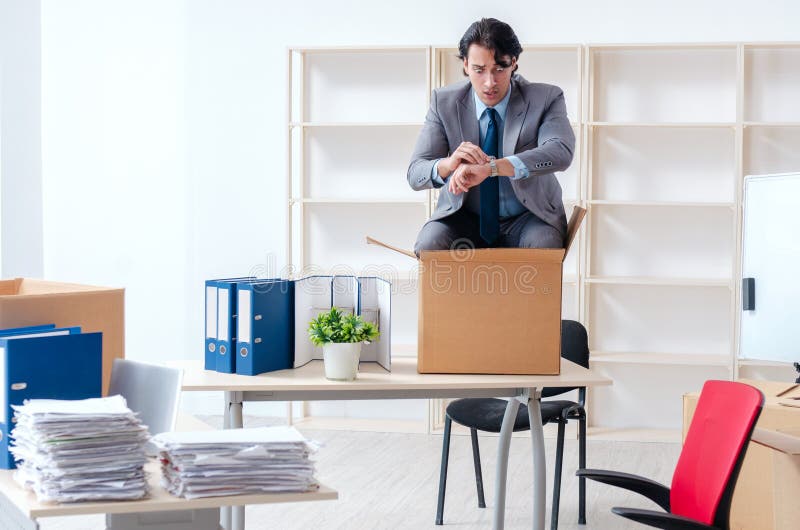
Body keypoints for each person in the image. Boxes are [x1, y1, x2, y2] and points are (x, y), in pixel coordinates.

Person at [408, 18, 575, 255]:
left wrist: (492, 168)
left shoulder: (546, 98)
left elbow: (561, 152)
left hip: (528, 218)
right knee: (429, 244)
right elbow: (416, 173)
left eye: (499, 69)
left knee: (544, 245)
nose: (490, 82)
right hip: (464, 218)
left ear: (514, 63)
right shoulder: (443, 102)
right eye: (479, 70)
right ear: (465, 64)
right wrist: (449, 164)